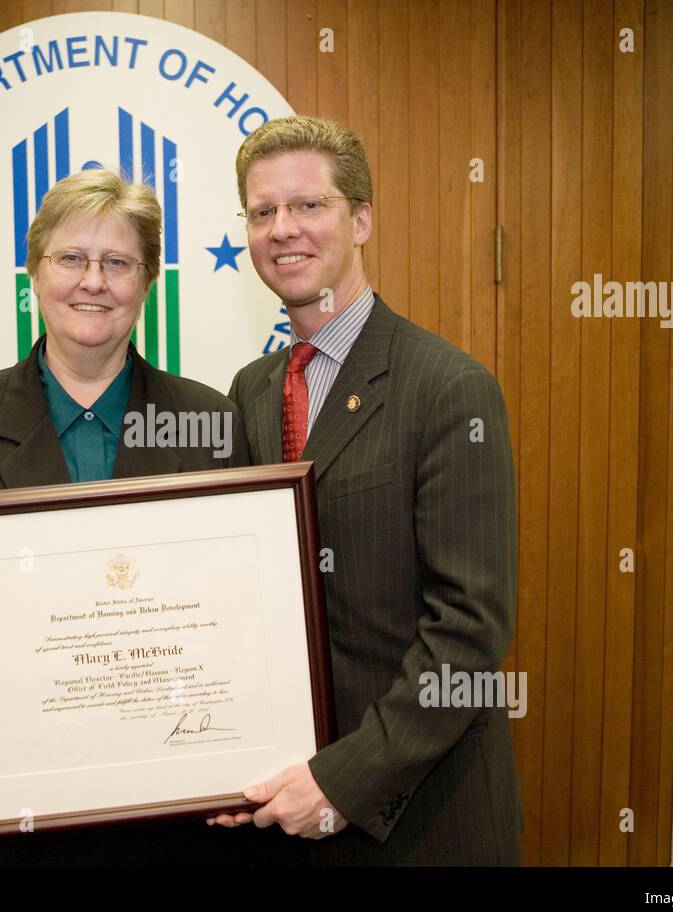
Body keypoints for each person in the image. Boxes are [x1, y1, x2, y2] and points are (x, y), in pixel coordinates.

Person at [0, 167, 252, 865]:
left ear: (148, 283)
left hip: (164, 810)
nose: (92, 281)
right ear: (33, 273)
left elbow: (243, 602)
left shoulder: (209, 421)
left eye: (118, 262)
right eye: (70, 258)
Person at [213, 116, 524, 865]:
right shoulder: (251, 390)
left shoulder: (450, 389)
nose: (283, 229)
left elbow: (469, 631)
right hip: (283, 805)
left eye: (308, 205)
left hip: (420, 817)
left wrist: (342, 784)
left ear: (361, 220)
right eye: (262, 212)